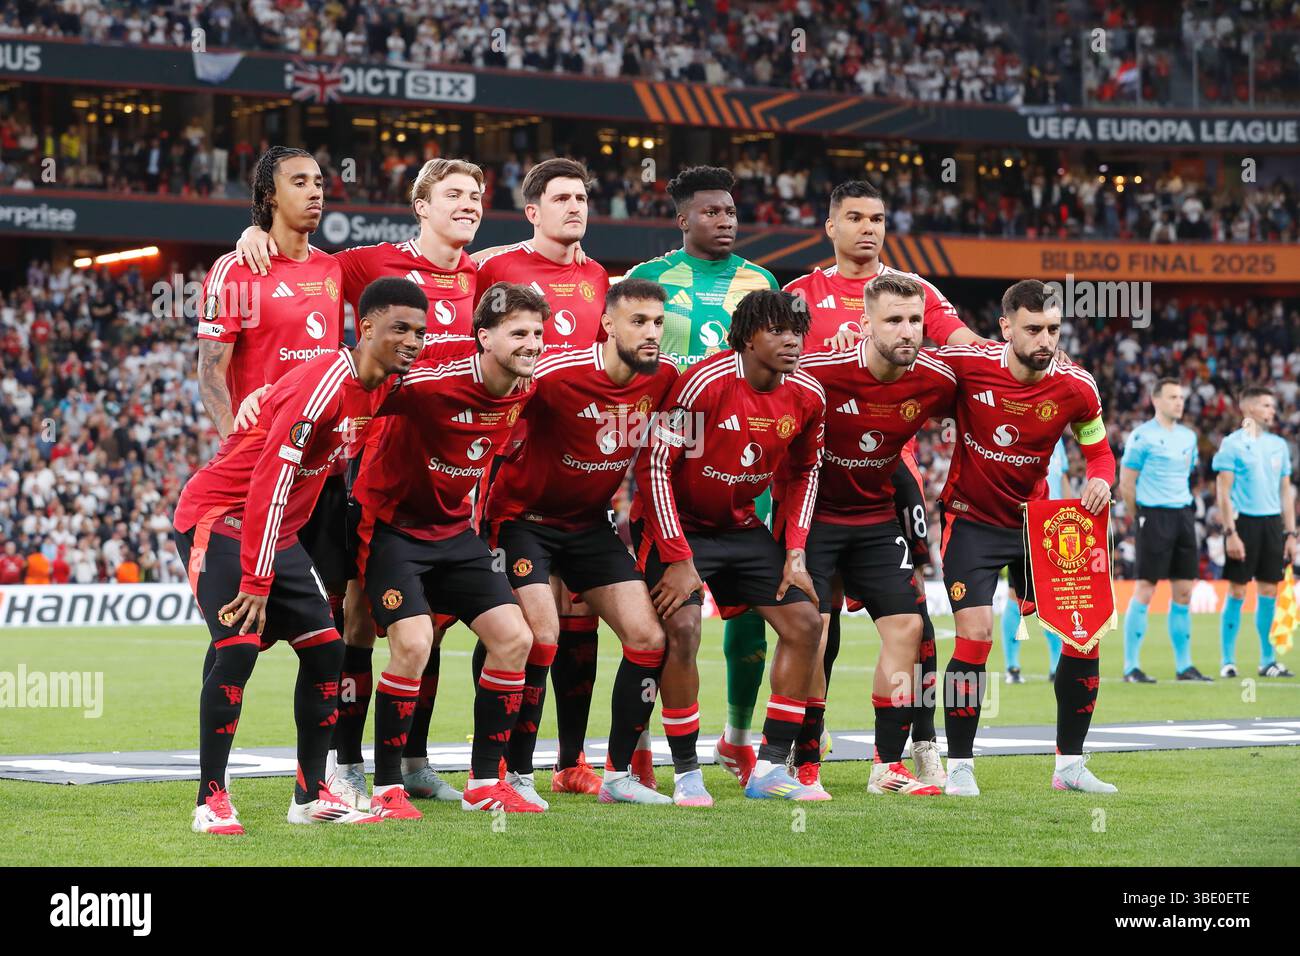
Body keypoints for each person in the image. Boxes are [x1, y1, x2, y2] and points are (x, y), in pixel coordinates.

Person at [236, 157, 488, 805]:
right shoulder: (367, 263)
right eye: (454, 193)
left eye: (477, 194)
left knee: (426, 627)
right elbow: (302, 260)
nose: (468, 203)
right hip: (370, 469)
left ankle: (412, 760)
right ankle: (346, 763)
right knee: (358, 619)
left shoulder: (486, 275)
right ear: (422, 203)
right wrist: (255, 233)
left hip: (448, 484)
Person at [174, 276, 426, 834]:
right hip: (221, 517)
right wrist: (257, 580)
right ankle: (210, 800)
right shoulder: (326, 385)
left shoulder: (386, 383)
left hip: (277, 531)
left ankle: (310, 797)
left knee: (327, 652)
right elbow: (267, 480)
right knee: (238, 647)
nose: (411, 340)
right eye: (399, 329)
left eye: (418, 332)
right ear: (365, 329)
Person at [783, 178, 976, 786]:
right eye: (856, 217)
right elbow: (780, 369)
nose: (869, 228)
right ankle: (799, 747)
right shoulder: (800, 294)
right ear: (831, 226)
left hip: (895, 481)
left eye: (879, 218)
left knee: (914, 617)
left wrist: (1007, 357)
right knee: (819, 623)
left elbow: (962, 345)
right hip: (820, 482)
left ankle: (920, 743)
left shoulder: (913, 293)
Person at [351, 283, 548, 813]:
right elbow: (360, 378)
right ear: (483, 337)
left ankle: (485, 784)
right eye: (519, 333)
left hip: (456, 533)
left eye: (537, 333)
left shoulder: (524, 389)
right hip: (393, 527)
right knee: (413, 646)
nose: (532, 343)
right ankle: (388, 787)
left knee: (515, 638)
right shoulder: (429, 381)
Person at [484, 278, 678, 805]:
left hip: (589, 523)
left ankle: (617, 776)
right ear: (609, 325)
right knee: (542, 637)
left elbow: (670, 454)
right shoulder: (554, 374)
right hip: (523, 520)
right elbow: (491, 424)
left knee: (648, 637)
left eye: (659, 322)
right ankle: (515, 773)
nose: (652, 332)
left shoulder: (664, 380)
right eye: (639, 322)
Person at [632, 289, 828, 806]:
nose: (790, 340)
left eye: (795, 331)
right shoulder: (706, 383)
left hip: (743, 530)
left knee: (807, 623)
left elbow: (806, 470)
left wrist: (796, 551)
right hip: (681, 527)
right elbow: (655, 467)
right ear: (746, 338)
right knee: (683, 627)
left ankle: (769, 767)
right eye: (776, 330)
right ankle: (687, 772)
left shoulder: (807, 395)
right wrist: (677, 556)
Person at [626, 165, 782, 787]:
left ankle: (739, 738)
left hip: (745, 470)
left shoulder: (761, 282)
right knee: (661, 620)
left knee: (751, 622)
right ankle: (634, 744)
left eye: (732, 213)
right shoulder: (649, 280)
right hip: (667, 467)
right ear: (683, 217)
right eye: (712, 212)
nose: (726, 222)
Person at [935, 279, 1118, 797]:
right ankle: (961, 766)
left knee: (1082, 634)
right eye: (1034, 329)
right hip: (971, 521)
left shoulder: (1075, 386)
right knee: (976, 635)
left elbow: (1099, 452)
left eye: (1054, 329)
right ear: (1006, 327)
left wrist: (1102, 476)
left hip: (1036, 524)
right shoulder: (968, 367)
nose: (1045, 340)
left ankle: (1070, 766)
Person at [473, 157, 621, 793]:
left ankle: (569, 762)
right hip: (513, 475)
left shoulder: (597, 277)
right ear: (531, 211)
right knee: (512, 624)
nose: (575, 207)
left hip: (580, 481)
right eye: (561, 198)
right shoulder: (496, 267)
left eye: (582, 197)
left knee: (576, 621)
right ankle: (486, 764)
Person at [797, 274, 956, 795]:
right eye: (893, 320)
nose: (907, 331)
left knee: (909, 628)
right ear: (863, 324)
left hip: (874, 516)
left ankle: (887, 766)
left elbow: (995, 389)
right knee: (813, 636)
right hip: (815, 515)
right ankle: (804, 762)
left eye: (914, 320)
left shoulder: (936, 379)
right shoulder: (821, 370)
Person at [1119, 379, 1211, 683]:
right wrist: (1139, 517)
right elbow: (1126, 483)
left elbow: (1187, 475)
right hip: (1153, 516)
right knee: (1146, 588)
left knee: (1183, 591)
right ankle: (1131, 666)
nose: (1179, 402)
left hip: (1183, 515)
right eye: (1173, 397)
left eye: (1181, 397)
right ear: (1155, 400)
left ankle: (1184, 666)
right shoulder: (1141, 436)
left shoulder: (1188, 437)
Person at [1213, 386, 1296, 678]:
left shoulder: (1279, 446)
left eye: (1273, 405)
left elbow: (1286, 494)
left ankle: (1267, 660)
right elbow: (1223, 492)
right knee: (1237, 590)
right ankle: (1227, 660)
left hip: (1273, 524)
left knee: (1269, 590)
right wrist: (1230, 532)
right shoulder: (1232, 444)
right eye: (1266, 405)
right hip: (1243, 523)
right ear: (1248, 409)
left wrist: (1291, 534)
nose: (1272, 410)